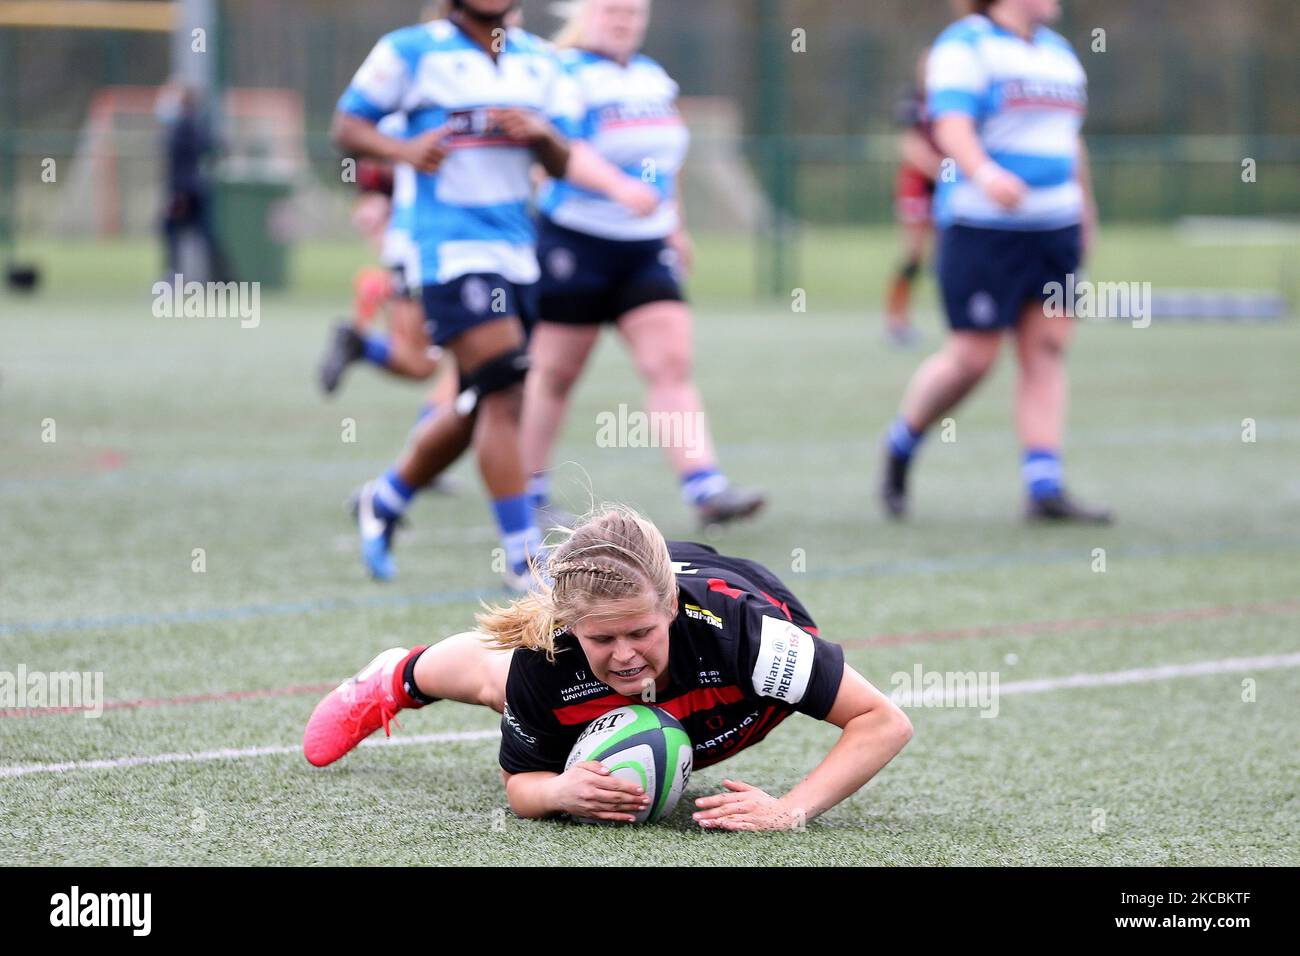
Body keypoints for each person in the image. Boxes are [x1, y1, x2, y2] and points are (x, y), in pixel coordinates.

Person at [303, 506, 913, 830]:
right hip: (591, 649)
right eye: (602, 637)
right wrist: (561, 791)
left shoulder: (750, 640)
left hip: (728, 682)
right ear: (571, 624)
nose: (624, 653)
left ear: (670, 606)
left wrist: (791, 809)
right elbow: (521, 786)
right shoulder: (551, 653)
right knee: (498, 682)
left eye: (642, 632)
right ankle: (396, 675)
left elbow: (883, 721)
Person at [330, 0, 658, 587]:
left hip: (517, 253)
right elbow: (346, 127)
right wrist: (405, 152)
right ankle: (521, 558)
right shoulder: (412, 50)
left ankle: (384, 499)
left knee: (482, 399)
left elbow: (561, 161)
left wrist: (541, 134)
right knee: (505, 388)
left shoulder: (538, 62)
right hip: (450, 251)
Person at [522, 0, 765, 528]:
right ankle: (528, 489)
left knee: (670, 363)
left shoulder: (654, 78)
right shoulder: (565, 73)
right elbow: (557, 150)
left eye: (633, 11)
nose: (624, 20)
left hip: (644, 245)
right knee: (556, 373)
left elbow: (666, 160)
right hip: (576, 239)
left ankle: (706, 486)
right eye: (612, 10)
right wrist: (616, 187)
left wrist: (674, 224)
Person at [879, 0, 1111, 523]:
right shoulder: (965, 45)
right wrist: (984, 174)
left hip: (1055, 228)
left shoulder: (1059, 53)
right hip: (983, 226)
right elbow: (950, 126)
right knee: (973, 358)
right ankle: (901, 442)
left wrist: (1085, 211)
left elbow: (1068, 143)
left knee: (1047, 346)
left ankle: (1044, 485)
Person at [883, 50, 943, 347]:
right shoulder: (912, 101)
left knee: (955, 253)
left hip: (949, 183)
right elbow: (910, 148)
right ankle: (896, 320)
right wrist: (942, 171)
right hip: (918, 185)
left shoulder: (955, 99)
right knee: (913, 256)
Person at [157, 81, 229, 282]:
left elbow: (170, 147)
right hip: (197, 189)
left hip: (182, 191)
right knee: (204, 234)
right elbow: (214, 147)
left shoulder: (181, 125)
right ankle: (222, 278)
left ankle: (173, 278)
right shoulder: (197, 123)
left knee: (172, 231)